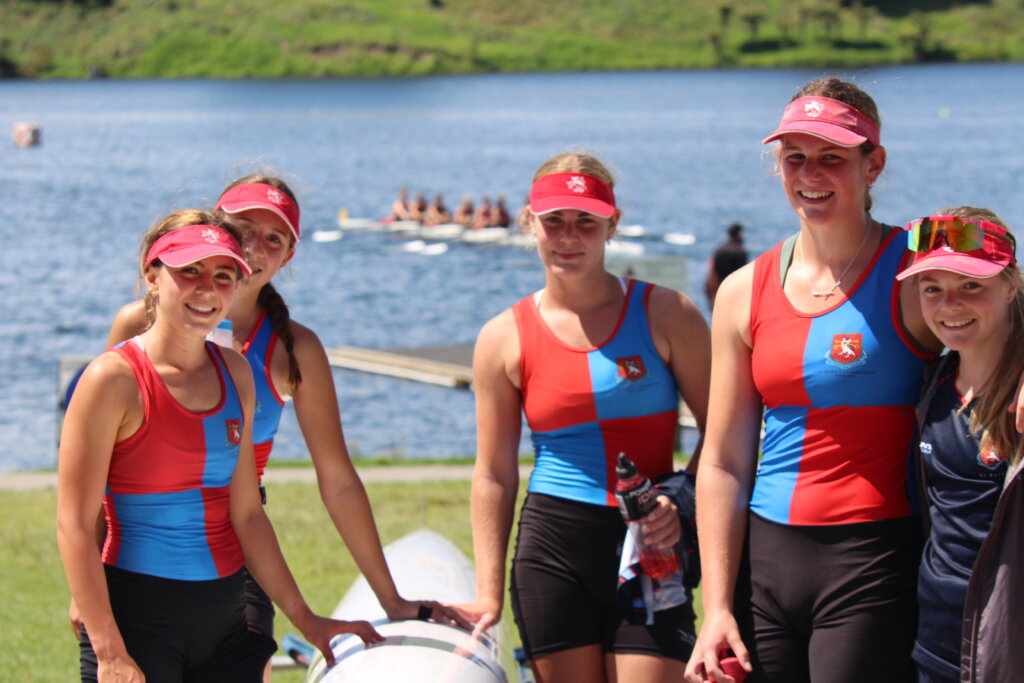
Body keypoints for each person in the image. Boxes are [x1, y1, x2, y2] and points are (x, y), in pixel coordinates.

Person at [77, 175, 464, 680]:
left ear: (289, 257)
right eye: (243, 230)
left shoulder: (291, 350)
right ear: (214, 229)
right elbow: (100, 470)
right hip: (137, 564)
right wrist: (86, 593)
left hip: (238, 558)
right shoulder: (135, 328)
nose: (255, 248)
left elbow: (338, 480)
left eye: (274, 239)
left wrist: (390, 598)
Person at [685, 77, 942, 683]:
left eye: (832, 157)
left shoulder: (917, 275)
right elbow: (721, 461)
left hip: (873, 560)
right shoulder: (742, 290)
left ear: (873, 164)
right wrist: (716, 605)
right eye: (794, 157)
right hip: (764, 565)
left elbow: (996, 321)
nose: (810, 174)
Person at [56, 210, 383, 682]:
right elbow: (74, 523)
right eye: (190, 270)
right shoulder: (112, 378)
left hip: (227, 622)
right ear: (152, 274)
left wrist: (306, 618)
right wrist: (108, 650)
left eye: (223, 275)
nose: (207, 287)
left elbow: (247, 514)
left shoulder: (236, 374)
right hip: (137, 620)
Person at [455, 152, 711, 683]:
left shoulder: (669, 314)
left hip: (651, 538)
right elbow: (494, 474)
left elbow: (725, 434)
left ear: (611, 226)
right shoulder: (502, 337)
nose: (568, 237)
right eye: (554, 221)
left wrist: (679, 501)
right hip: (555, 546)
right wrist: (486, 590)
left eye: (586, 222)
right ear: (530, 222)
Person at [895, 209, 1024, 682]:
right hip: (935, 642)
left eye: (972, 285)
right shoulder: (934, 381)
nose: (950, 304)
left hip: (1007, 649)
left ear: (1010, 286)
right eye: (932, 288)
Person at [704, 222, 747, 308]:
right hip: (734, 293)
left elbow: (713, 273)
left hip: (720, 290)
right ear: (738, 234)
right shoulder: (740, 251)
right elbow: (743, 276)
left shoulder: (720, 249)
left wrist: (713, 294)